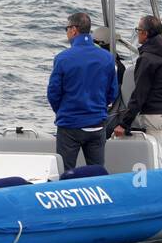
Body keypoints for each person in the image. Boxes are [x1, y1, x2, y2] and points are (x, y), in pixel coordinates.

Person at [47, 12, 119, 171]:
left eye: (66, 28)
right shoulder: (107, 57)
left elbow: (53, 93)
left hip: (70, 125)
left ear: (74, 30)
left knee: (65, 172)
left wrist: (62, 111)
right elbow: (113, 91)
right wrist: (99, 108)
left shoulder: (63, 58)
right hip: (97, 124)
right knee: (97, 172)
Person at [114, 15, 162, 154]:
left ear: (145, 34)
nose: (137, 33)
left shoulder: (146, 58)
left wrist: (124, 123)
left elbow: (140, 93)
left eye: (138, 30)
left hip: (154, 116)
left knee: (154, 157)